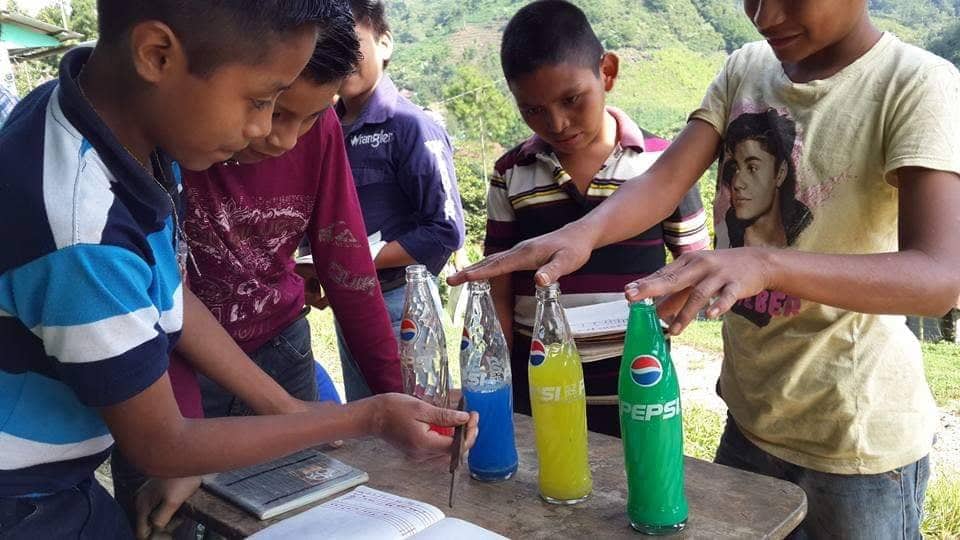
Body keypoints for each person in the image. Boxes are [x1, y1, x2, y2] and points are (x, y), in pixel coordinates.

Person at [450, 0, 960, 537]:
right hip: (749, 419)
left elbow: (940, 277)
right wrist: (579, 236)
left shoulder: (914, 84)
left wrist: (765, 263)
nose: (763, 15)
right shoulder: (746, 68)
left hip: (856, 441)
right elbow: (665, 179)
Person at [0, 2, 477, 539]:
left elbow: (169, 293)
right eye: (259, 101)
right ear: (156, 55)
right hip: (30, 500)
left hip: (58, 478)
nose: (264, 131)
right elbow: (162, 442)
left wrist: (288, 408)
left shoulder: (110, 122)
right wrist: (366, 417)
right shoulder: (82, 227)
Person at [487, 1, 708, 436]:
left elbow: (692, 265)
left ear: (607, 71)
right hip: (539, 387)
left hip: (637, 387)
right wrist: (497, 374)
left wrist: (651, 329)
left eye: (571, 99)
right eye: (532, 109)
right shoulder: (511, 173)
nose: (558, 122)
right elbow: (499, 288)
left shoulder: (664, 165)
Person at [327, 0, 466, 401]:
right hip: (348, 302)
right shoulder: (323, 131)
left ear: (384, 42)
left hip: (400, 304)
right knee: (370, 419)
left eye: (351, 43)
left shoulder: (411, 127)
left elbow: (445, 231)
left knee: (418, 419)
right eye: (327, 45)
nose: (340, 58)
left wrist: (360, 259)